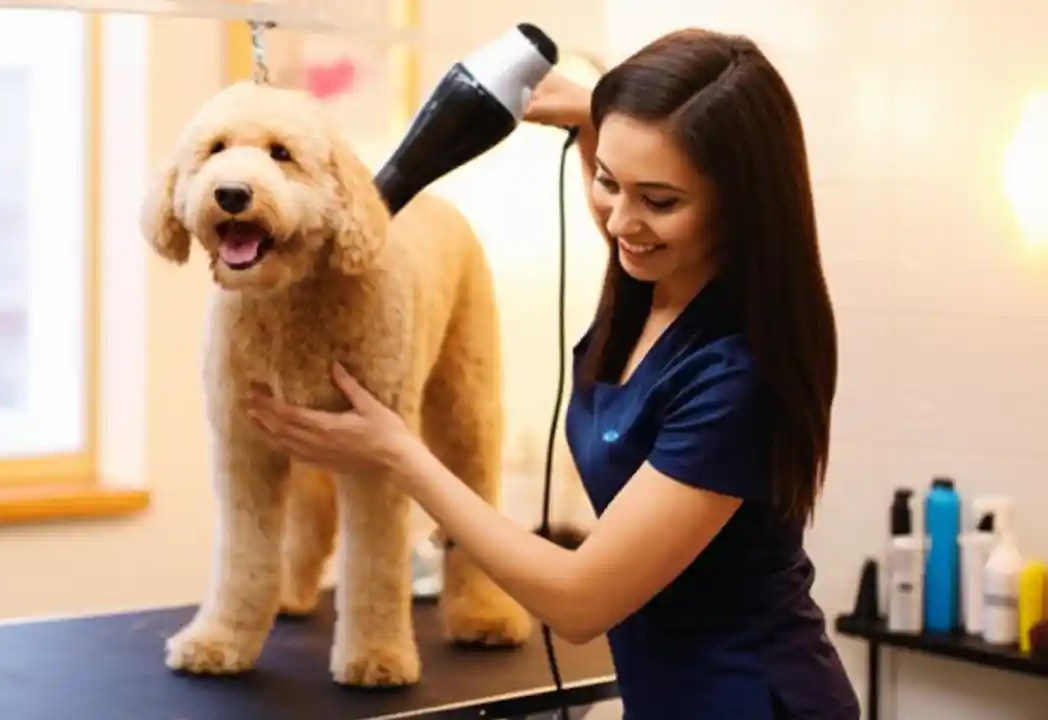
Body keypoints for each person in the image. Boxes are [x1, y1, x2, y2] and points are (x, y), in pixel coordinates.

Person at [244, 27, 860, 720]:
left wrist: (396, 452)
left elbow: (579, 601)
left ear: (740, 202)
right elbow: (632, 203)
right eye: (607, 182)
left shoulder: (740, 371)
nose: (622, 221)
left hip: (753, 701)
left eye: (659, 201)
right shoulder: (650, 284)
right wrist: (595, 113)